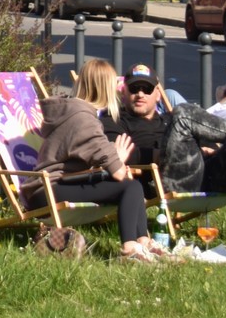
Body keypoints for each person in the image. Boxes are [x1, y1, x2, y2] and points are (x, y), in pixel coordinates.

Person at [108, 62, 226, 242]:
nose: (140, 94)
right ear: (123, 92)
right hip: (168, 180)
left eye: (147, 89)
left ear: (157, 95)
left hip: (207, 175)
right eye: (134, 88)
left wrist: (211, 149)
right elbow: (113, 156)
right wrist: (159, 155)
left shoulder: (168, 120)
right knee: (184, 112)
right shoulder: (116, 121)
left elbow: (211, 142)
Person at [29, 58, 156, 262]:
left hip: (54, 186)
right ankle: (131, 249)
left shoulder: (72, 112)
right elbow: (118, 172)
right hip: (48, 191)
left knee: (131, 186)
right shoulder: (85, 121)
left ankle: (144, 243)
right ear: (105, 88)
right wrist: (119, 158)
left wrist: (114, 160)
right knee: (129, 187)